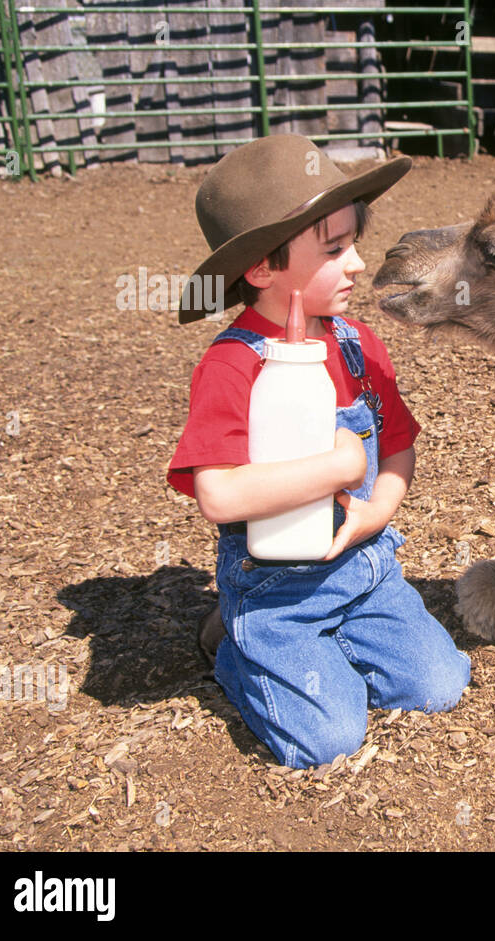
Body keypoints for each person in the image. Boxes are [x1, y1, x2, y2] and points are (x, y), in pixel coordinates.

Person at [167, 135, 470, 769]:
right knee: (327, 740)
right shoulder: (232, 366)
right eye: (335, 250)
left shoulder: (357, 345)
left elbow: (396, 445)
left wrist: (378, 509)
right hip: (277, 587)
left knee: (438, 686)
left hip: (366, 570)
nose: (358, 263)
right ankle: (239, 647)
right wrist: (338, 467)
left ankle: (325, 650)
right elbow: (218, 494)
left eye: (353, 243)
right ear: (260, 270)